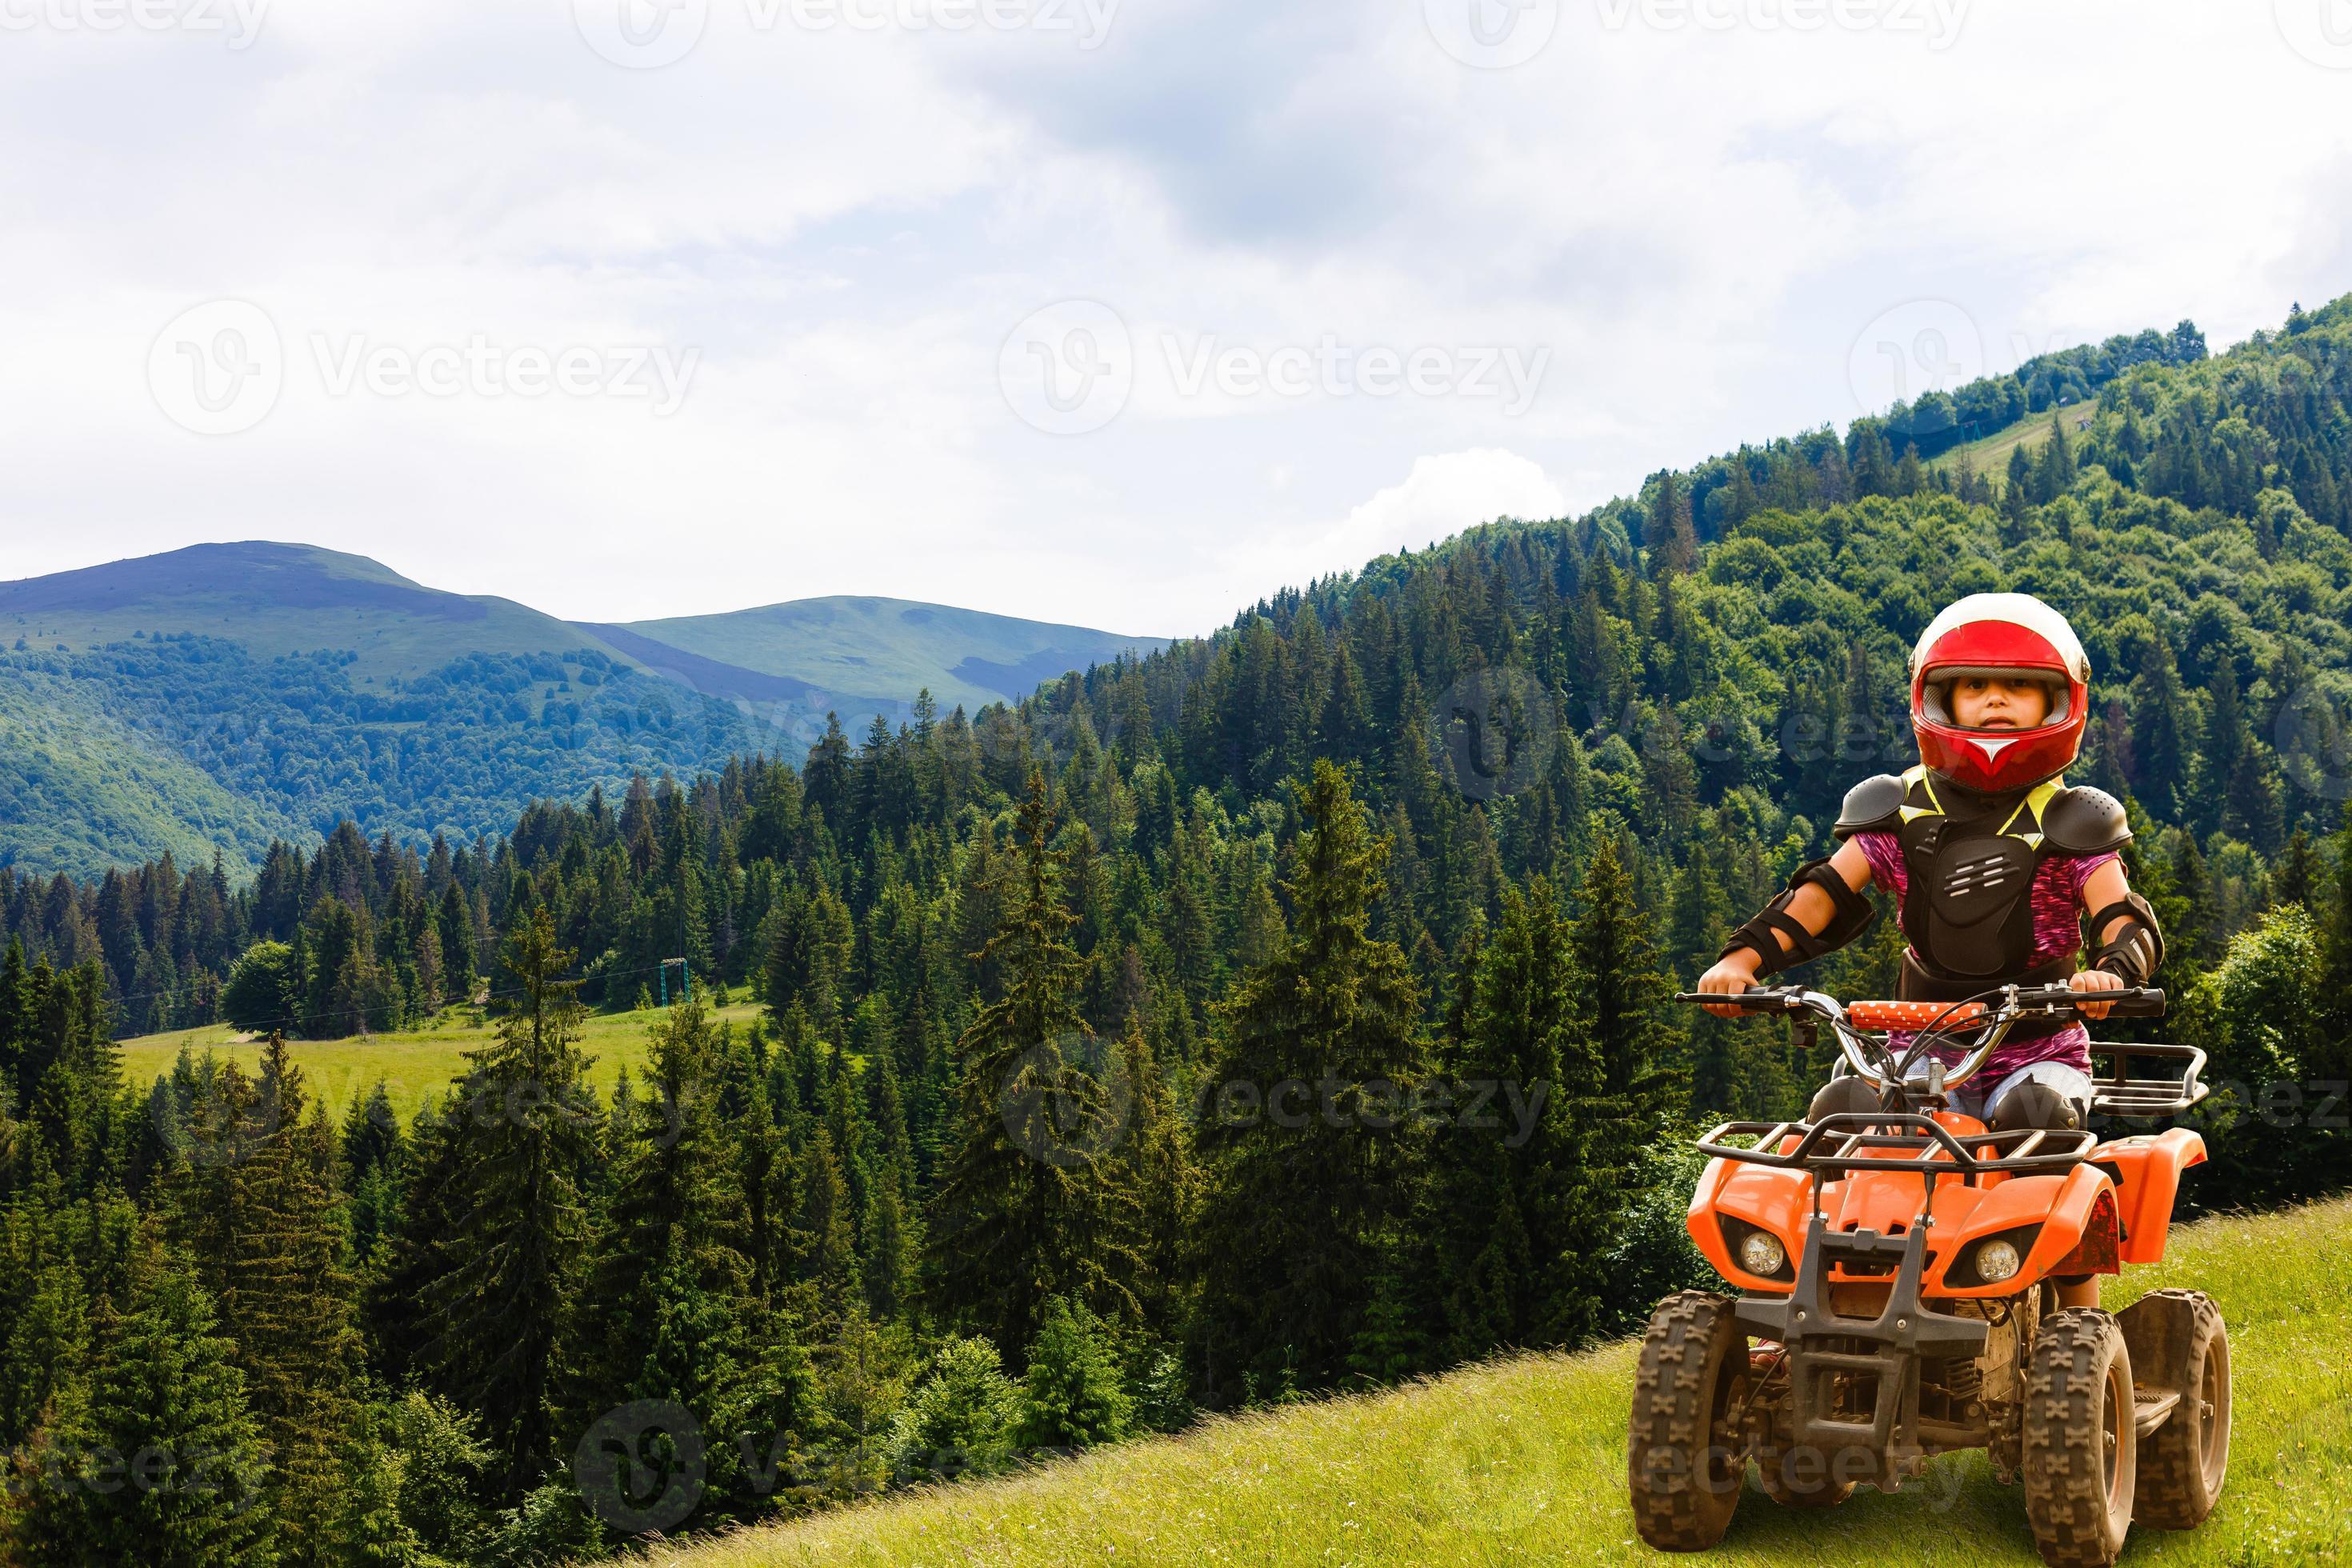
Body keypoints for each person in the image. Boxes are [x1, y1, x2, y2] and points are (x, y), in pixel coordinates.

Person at [1697, 593, 2164, 1137]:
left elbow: (2122, 918)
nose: (1995, 700)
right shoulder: (1900, 810)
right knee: (1844, 1122)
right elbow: (1822, 894)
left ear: (2059, 700)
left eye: (2018, 685)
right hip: (1917, 1049)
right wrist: (1741, 960)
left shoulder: (2074, 818)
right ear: (1938, 697)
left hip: (2043, 1053)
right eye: (1974, 686)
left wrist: (2110, 974)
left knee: (2033, 1124)